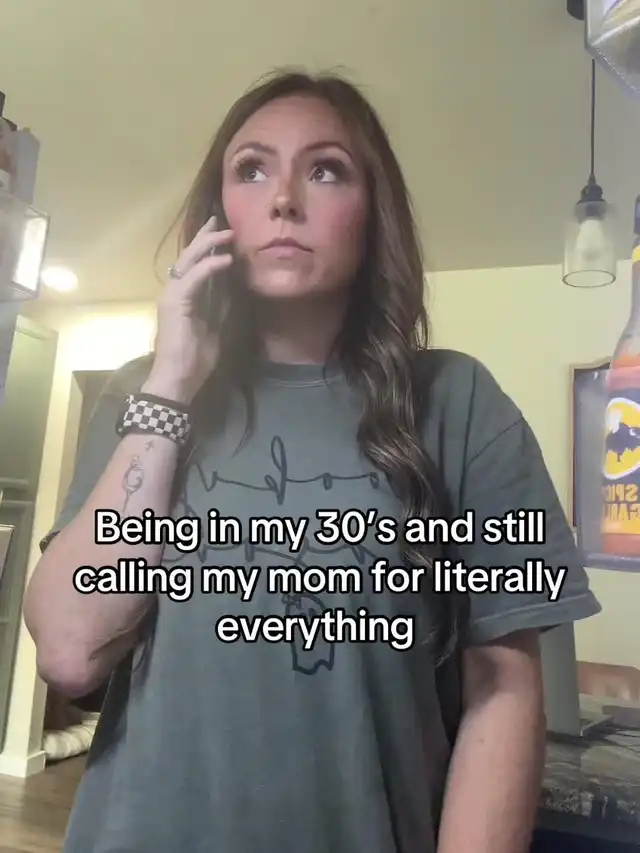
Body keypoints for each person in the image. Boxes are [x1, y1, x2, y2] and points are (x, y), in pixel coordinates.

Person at [24, 69, 600, 853]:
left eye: (326, 169)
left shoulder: (458, 400)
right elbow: (68, 651)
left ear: (372, 214)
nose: (285, 199)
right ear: (217, 215)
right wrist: (171, 384)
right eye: (251, 170)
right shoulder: (143, 394)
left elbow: (503, 691)